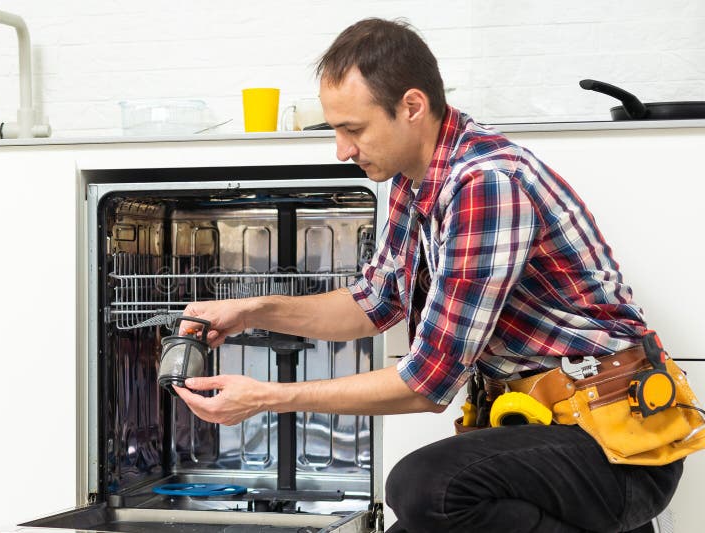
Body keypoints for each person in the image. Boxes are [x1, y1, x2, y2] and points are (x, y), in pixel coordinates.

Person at [174, 18, 683, 533]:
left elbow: (426, 385)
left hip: (617, 448)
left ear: (412, 107)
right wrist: (254, 311)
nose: (342, 150)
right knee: (421, 507)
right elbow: (373, 303)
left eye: (353, 129)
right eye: (335, 130)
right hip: (540, 429)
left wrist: (268, 399)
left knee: (424, 487)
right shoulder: (412, 182)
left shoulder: (487, 184)